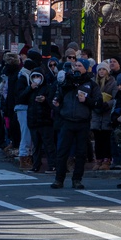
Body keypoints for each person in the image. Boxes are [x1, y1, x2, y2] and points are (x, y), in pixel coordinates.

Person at [52, 61, 102, 189]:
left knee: (81, 153)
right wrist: (57, 105)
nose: (77, 68)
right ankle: (59, 179)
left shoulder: (91, 84)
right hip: (67, 121)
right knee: (62, 151)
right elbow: (58, 98)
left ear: (86, 68)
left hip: (82, 122)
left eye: (80, 66)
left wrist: (86, 100)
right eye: (75, 66)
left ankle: (77, 179)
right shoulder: (66, 82)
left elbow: (98, 103)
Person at [26, 70, 56, 174]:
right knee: (36, 145)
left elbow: (52, 102)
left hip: (45, 120)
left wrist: (45, 99)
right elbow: (21, 97)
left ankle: (52, 165)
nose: (36, 78)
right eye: (34, 76)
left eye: (38, 76)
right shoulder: (31, 89)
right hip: (33, 121)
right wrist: (30, 88)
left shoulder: (48, 88)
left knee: (48, 145)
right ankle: (36, 165)